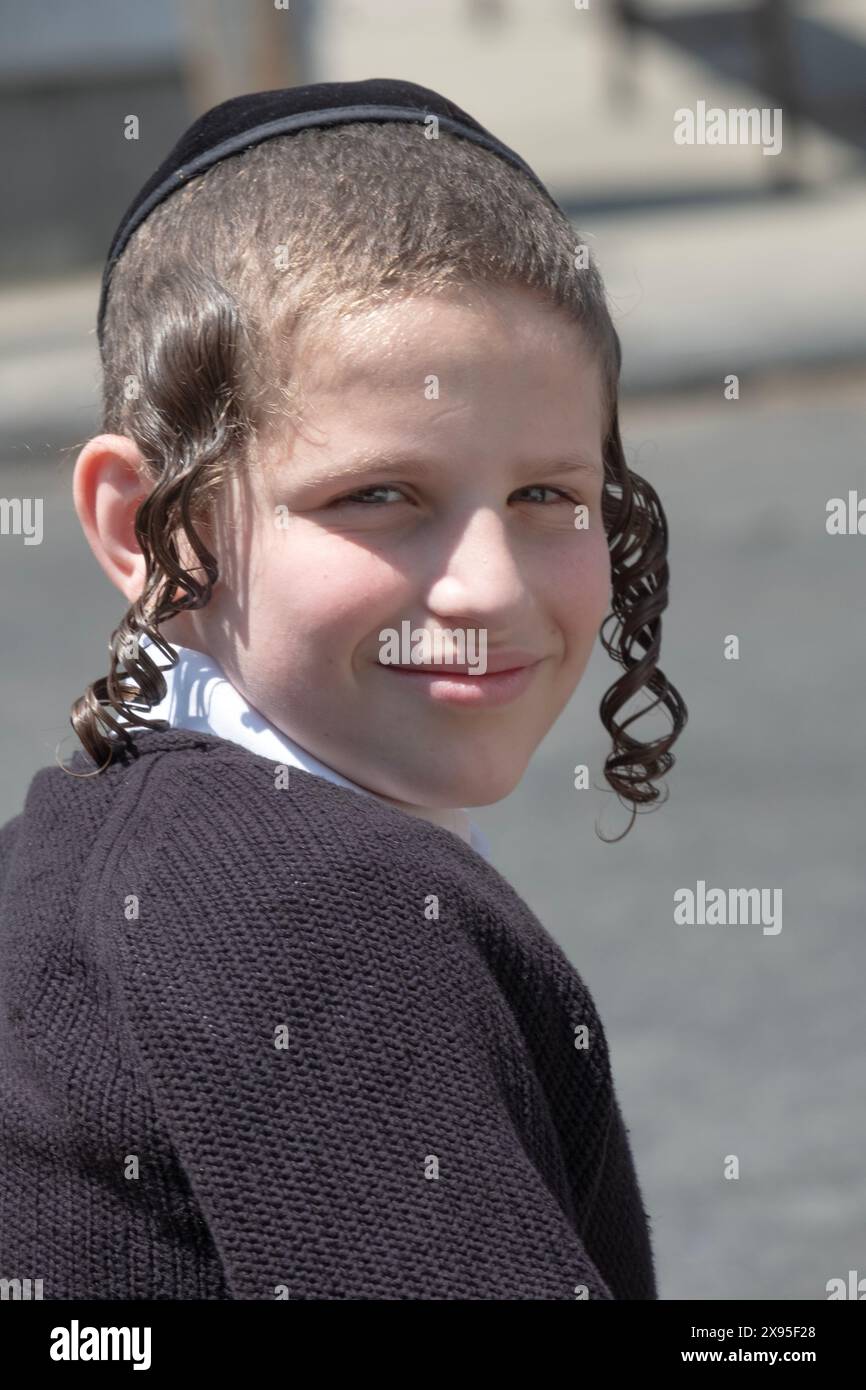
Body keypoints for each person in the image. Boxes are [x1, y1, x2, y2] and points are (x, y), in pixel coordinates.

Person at [0, 78, 686, 1300]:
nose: (483, 588)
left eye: (546, 495)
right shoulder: (323, 907)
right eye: (376, 496)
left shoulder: (62, 859)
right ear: (141, 523)